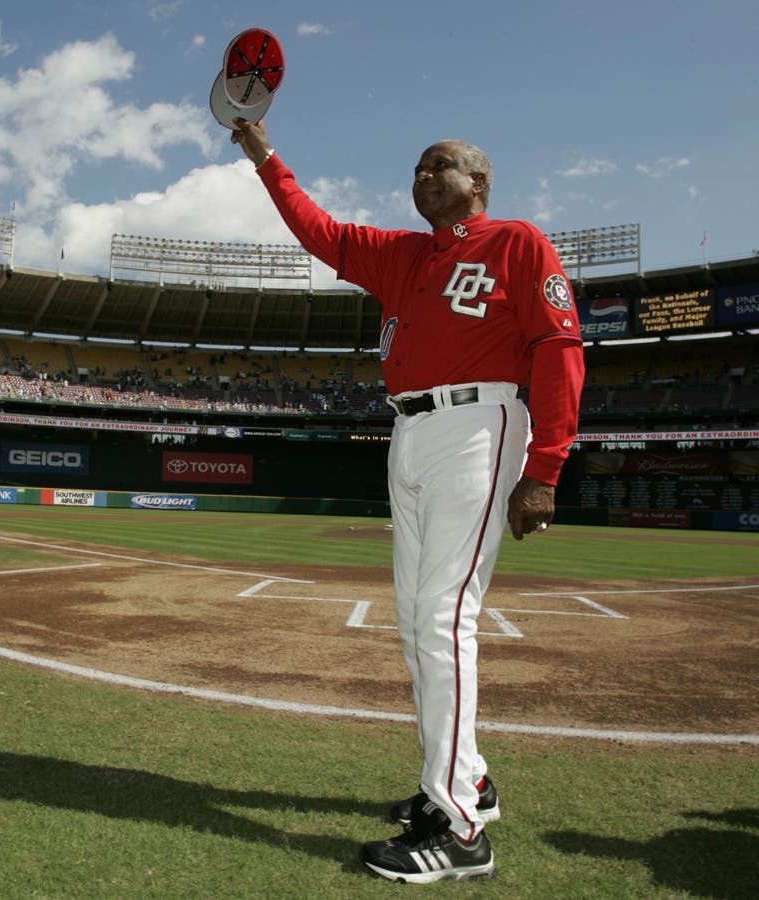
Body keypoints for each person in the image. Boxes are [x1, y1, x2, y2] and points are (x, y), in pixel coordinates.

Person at [232, 118, 584, 883]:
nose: (423, 175)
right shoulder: (402, 254)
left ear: (478, 186)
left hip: (480, 423)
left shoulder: (516, 243)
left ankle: (461, 833)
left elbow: (560, 348)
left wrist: (547, 463)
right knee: (416, 619)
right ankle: (468, 784)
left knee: (442, 617)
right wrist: (264, 154)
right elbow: (317, 229)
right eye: (419, 167)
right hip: (411, 431)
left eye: (441, 166)